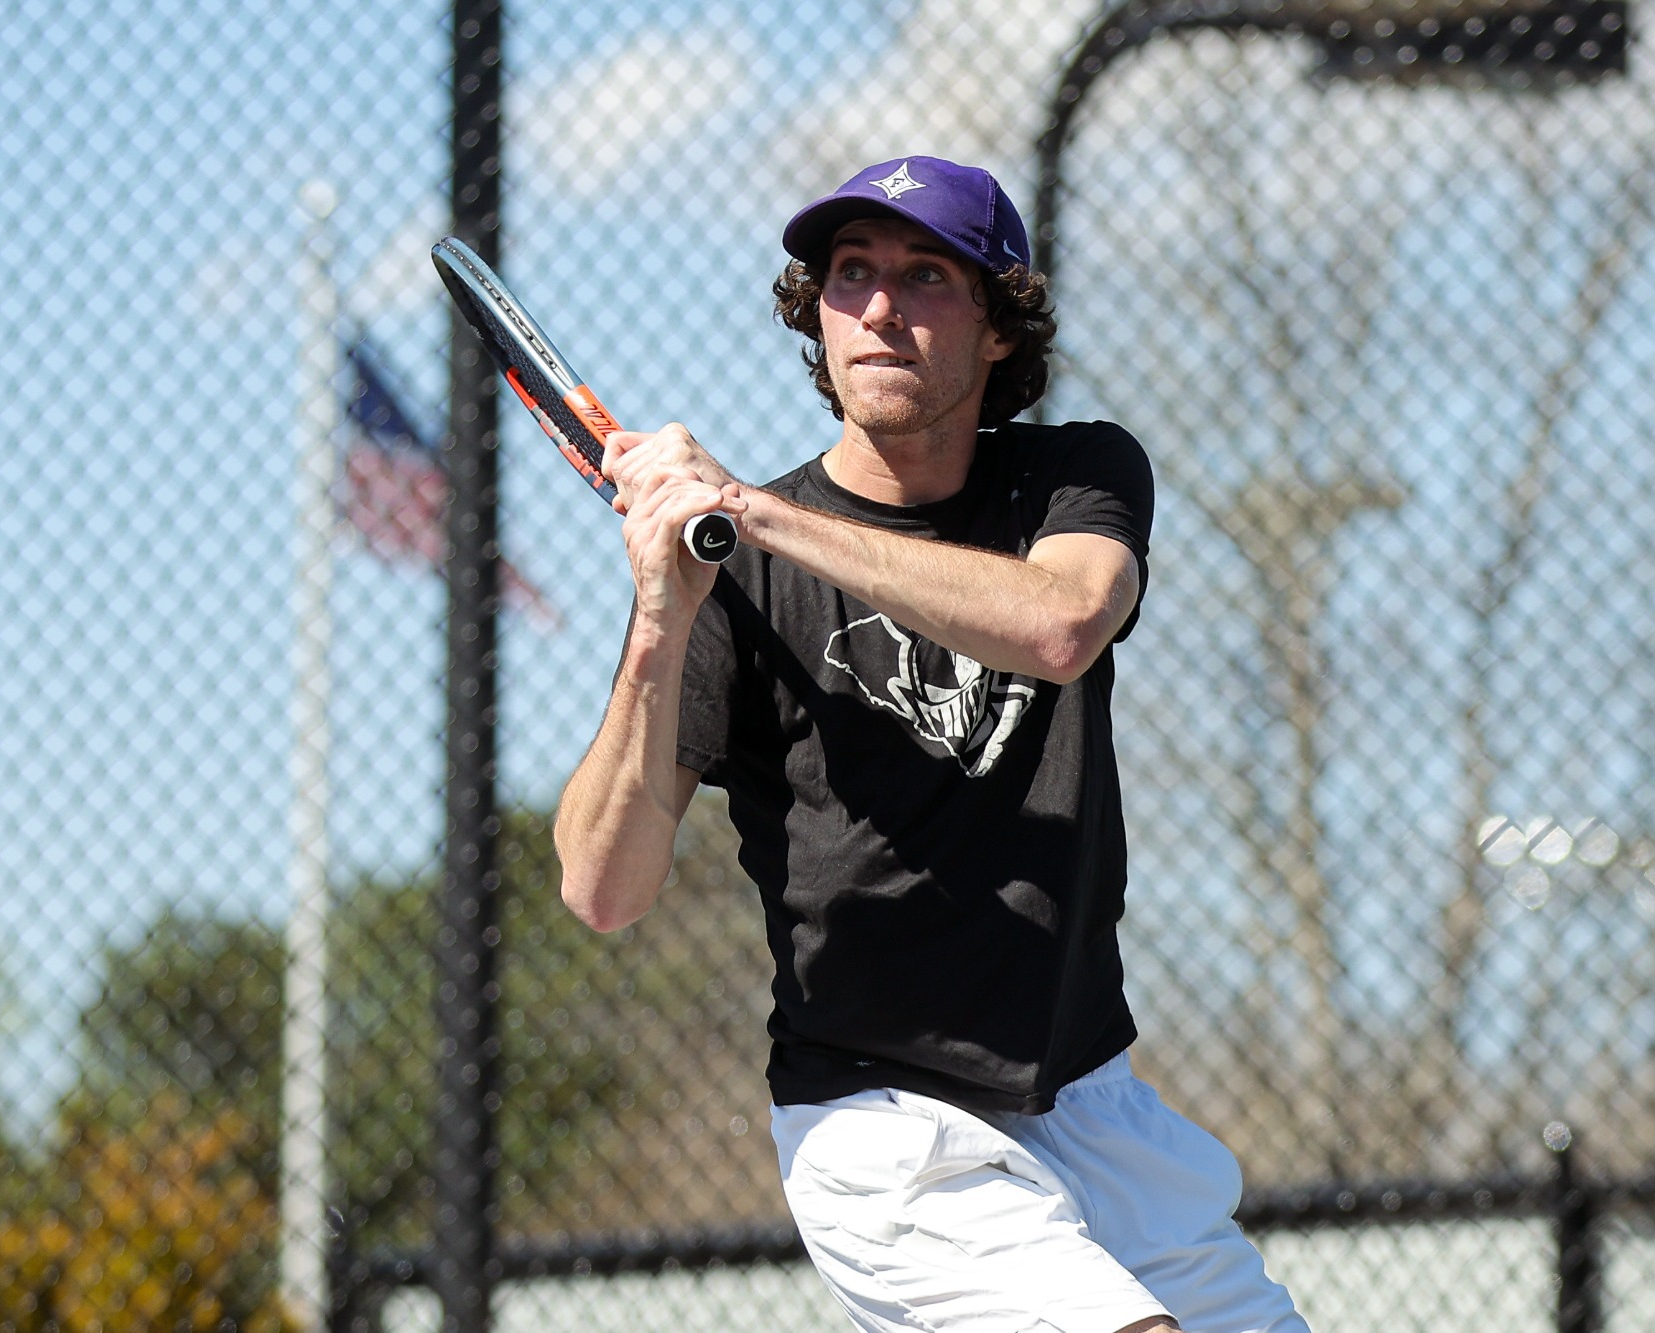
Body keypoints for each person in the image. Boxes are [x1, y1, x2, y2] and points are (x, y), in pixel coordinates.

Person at [555, 155, 1307, 1333]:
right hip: (887, 1133)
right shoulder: (726, 586)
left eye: (924, 276)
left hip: (1089, 1103)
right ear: (816, 314)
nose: (879, 308)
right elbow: (602, 887)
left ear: (1001, 326)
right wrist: (660, 609)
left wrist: (753, 508)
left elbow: (1059, 623)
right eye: (849, 275)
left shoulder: (1073, 477)